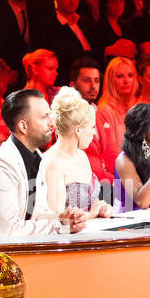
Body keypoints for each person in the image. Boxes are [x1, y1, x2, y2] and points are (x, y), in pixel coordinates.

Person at [0, 89, 88, 238]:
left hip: (10, 251)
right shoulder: (1, 166)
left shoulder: (36, 158)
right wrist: (60, 226)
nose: (52, 123)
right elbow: (8, 230)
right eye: (44, 117)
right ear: (23, 127)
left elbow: (38, 215)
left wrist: (66, 220)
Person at [41, 86, 113, 218]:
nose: (93, 133)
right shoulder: (53, 163)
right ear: (78, 130)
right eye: (92, 127)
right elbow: (55, 221)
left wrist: (101, 207)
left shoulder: (82, 156)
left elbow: (92, 202)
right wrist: (91, 215)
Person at [87, 56, 140, 183]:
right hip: (121, 176)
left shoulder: (136, 107)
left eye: (130, 75)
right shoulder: (104, 110)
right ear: (110, 81)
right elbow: (110, 153)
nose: (126, 80)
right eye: (120, 76)